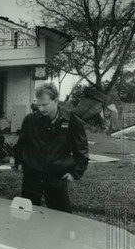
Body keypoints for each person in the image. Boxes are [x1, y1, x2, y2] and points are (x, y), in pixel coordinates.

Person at [14, 82, 89, 213]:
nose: (41, 108)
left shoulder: (72, 121)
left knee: (62, 217)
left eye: (45, 104)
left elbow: (81, 149)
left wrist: (75, 173)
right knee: (26, 215)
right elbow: (21, 144)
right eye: (39, 104)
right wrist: (19, 162)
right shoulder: (30, 120)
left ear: (56, 100)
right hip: (32, 177)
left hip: (57, 177)